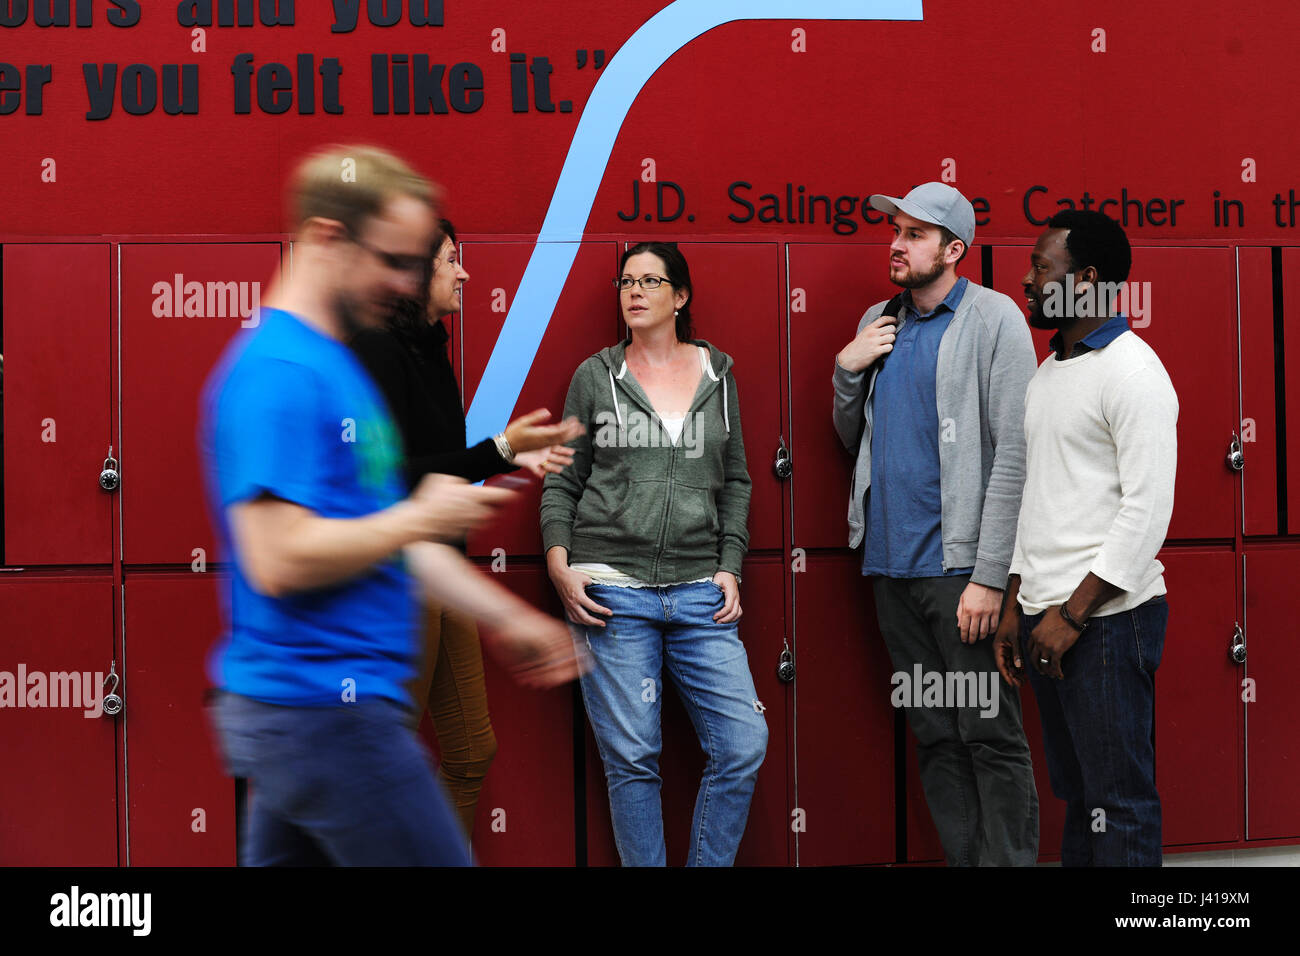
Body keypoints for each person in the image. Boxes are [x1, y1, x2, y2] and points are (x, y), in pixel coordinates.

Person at [200, 145, 583, 866]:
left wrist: (508, 617)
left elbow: (386, 530)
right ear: (324, 238)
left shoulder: (335, 368)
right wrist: (421, 516)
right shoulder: (279, 373)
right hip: (327, 720)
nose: (405, 282)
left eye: (415, 263)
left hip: (313, 720)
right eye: (392, 260)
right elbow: (279, 557)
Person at [349, 218, 583, 842]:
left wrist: (502, 456)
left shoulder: (430, 344)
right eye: (453, 259)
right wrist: (500, 451)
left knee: (472, 748)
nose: (464, 272)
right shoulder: (377, 350)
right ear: (417, 270)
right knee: (385, 759)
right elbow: (391, 476)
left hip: (445, 570)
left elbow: (439, 468)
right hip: (400, 576)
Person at [831, 182, 1040, 866]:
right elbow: (853, 438)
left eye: (915, 234)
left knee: (989, 735)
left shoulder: (994, 318)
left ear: (953, 250)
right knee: (935, 734)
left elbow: (1016, 450)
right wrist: (845, 370)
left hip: (958, 578)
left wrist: (988, 577)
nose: (896, 243)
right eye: (895, 230)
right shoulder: (878, 320)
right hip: (892, 569)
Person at [540, 241, 768, 866]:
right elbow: (562, 478)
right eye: (626, 282)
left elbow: (740, 479)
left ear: (681, 296)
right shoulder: (596, 377)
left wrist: (729, 563)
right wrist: (559, 562)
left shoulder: (718, 374)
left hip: (699, 591)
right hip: (610, 589)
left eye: (650, 281)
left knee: (744, 743)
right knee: (633, 758)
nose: (634, 292)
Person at [993, 210, 1177, 866]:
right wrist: (1017, 602)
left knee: (1119, 801)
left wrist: (1072, 614)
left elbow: (1147, 512)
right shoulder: (1050, 375)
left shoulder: (1133, 372)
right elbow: (1037, 501)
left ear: (1087, 278)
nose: (1028, 279)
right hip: (1048, 620)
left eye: (1042, 268)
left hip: (1106, 623)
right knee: (1080, 797)